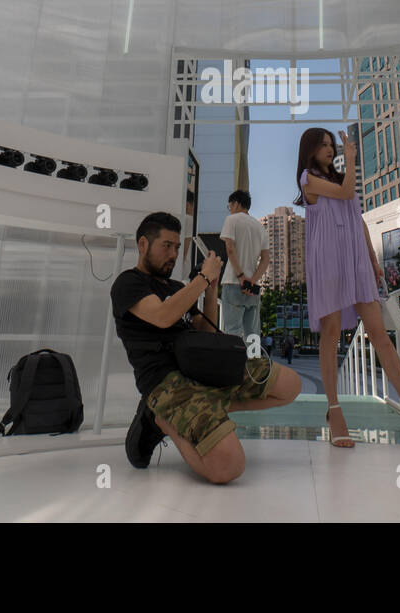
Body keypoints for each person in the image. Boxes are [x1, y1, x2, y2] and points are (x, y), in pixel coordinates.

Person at [112, 212, 302, 484]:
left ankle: (208, 406)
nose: (173, 254)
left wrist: (211, 290)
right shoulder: (128, 283)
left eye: (177, 247)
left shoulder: (178, 287)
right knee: (228, 467)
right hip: (165, 381)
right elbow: (163, 316)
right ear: (143, 245)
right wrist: (202, 278)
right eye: (166, 246)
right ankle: (160, 419)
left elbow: (206, 331)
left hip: (202, 368)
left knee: (290, 385)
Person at [296, 128, 400, 452]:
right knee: (330, 335)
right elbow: (344, 195)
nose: (331, 150)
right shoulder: (307, 178)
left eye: (333, 145)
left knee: (380, 334)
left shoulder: (341, 181)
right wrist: (353, 158)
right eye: (324, 145)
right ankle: (334, 410)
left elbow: (358, 220)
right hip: (328, 260)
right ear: (310, 150)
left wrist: (372, 262)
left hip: (355, 260)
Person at [219, 190, 270, 343]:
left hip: (233, 282)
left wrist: (241, 276)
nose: (230, 209)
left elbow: (230, 248)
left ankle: (233, 365)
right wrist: (252, 280)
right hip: (253, 288)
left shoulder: (232, 220)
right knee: (253, 333)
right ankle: (253, 364)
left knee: (232, 331)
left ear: (236, 203)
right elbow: (265, 259)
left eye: (230, 206)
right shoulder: (260, 227)